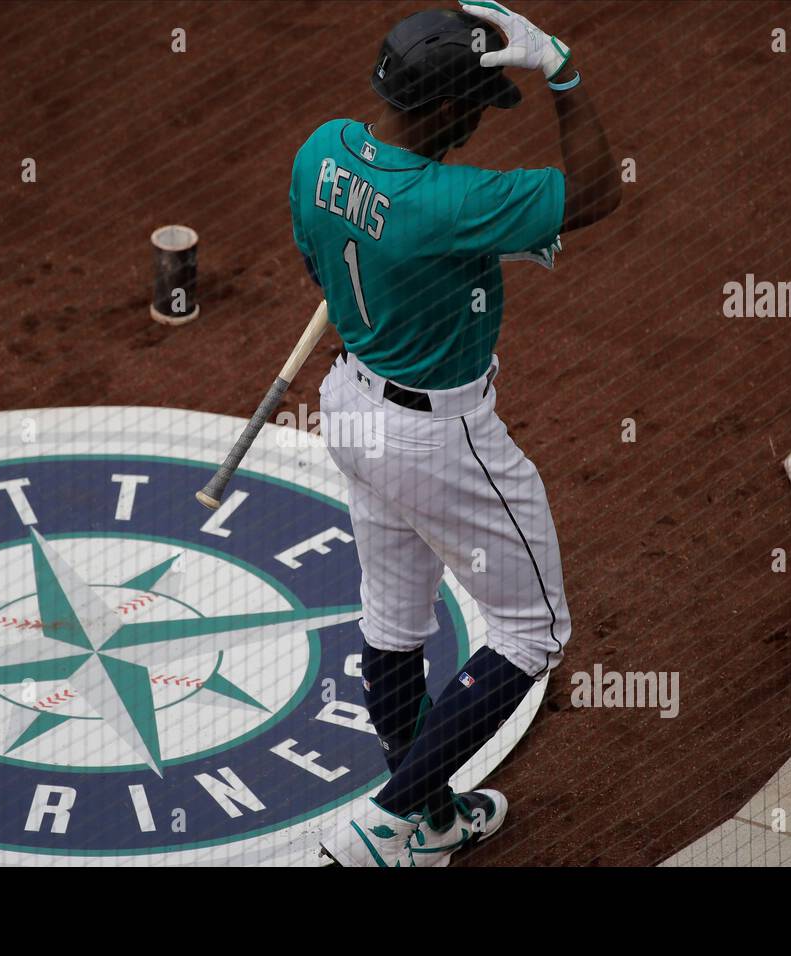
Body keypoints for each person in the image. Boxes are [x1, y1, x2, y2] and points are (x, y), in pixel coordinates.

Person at [288, 1, 621, 867]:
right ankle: (385, 823)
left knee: (395, 619)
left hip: (351, 409)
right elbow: (596, 190)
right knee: (533, 632)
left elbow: (317, 263)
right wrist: (563, 72)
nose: (478, 125)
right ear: (440, 110)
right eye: (473, 108)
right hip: (440, 442)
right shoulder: (449, 201)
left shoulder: (320, 151)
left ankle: (427, 815)